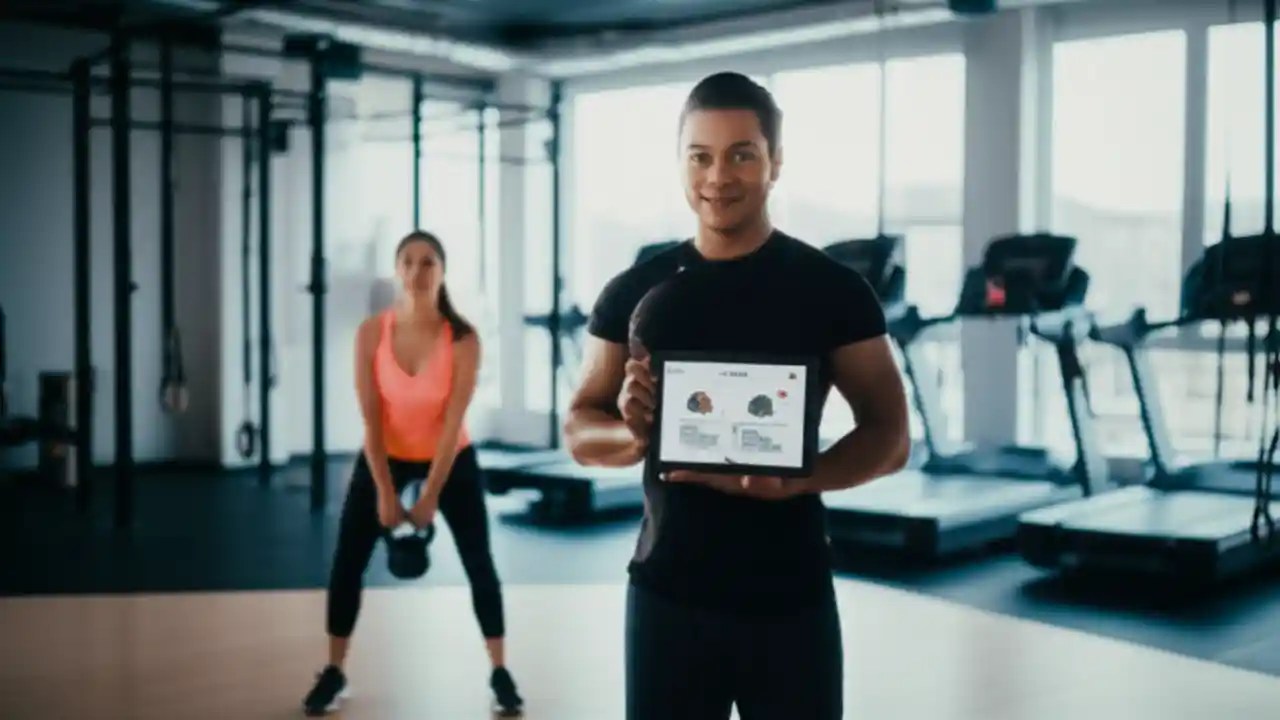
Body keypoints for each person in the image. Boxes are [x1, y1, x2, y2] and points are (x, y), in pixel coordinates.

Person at [563, 72, 911, 719]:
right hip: (667, 594)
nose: (717, 176)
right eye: (700, 156)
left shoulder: (832, 290)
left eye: (741, 154)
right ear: (680, 162)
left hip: (791, 598)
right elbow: (581, 426)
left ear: (775, 162)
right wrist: (632, 435)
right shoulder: (632, 290)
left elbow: (890, 435)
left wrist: (801, 479)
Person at [302, 231, 523, 717]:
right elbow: (371, 419)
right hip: (386, 453)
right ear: (396, 269)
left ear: (442, 272)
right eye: (408, 262)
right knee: (347, 562)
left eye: (428, 263)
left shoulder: (462, 339)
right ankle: (334, 670)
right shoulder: (370, 333)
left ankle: (500, 670)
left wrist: (430, 497)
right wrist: (385, 491)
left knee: (478, 562)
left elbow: (452, 424)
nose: (418, 272)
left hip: (450, 455)